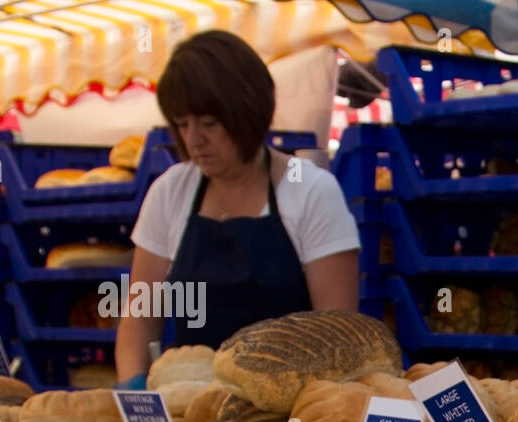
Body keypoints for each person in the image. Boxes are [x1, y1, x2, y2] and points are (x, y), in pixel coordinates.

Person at [115, 30, 359, 387]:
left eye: (209, 124)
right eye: (182, 125)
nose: (194, 139)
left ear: (248, 113)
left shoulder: (310, 191)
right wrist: (135, 392)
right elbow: (140, 319)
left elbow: (340, 338)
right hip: (195, 411)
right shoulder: (170, 192)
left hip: (291, 413)